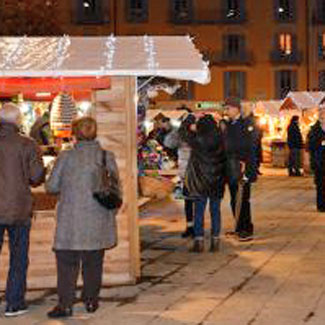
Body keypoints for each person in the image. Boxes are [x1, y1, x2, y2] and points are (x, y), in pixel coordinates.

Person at [46, 117, 121, 318]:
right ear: (95, 133)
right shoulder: (107, 156)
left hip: (70, 221)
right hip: (98, 219)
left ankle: (65, 305)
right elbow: (116, 191)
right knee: (94, 263)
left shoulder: (66, 157)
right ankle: (90, 301)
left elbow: (51, 187)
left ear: (75, 134)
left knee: (66, 264)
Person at [0, 103, 45, 317]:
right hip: (19, 208)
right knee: (18, 258)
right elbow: (36, 178)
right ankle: (14, 303)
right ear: (18, 121)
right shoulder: (28, 144)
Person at [180, 114, 226, 253]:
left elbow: (182, 132)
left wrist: (190, 119)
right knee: (215, 211)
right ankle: (215, 242)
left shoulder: (197, 139)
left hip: (200, 182)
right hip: (217, 181)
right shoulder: (221, 138)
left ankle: (199, 242)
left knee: (199, 211)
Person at [222, 97, 259, 242]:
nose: (226, 111)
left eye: (228, 108)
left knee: (243, 199)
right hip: (231, 167)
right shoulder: (230, 124)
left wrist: (244, 163)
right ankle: (238, 226)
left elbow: (250, 145)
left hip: (242, 166)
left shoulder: (246, 124)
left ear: (237, 109)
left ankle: (246, 229)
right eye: (225, 108)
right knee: (234, 199)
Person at [164, 114, 194, 238]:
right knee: (189, 201)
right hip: (186, 173)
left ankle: (193, 227)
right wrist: (177, 130)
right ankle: (190, 226)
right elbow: (168, 143)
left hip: (194, 173)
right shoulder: (181, 135)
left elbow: (168, 142)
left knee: (194, 201)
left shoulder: (196, 135)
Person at [307, 107, 325, 212]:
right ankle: (321, 205)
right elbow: (312, 145)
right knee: (320, 185)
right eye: (322, 113)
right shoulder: (314, 129)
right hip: (319, 161)